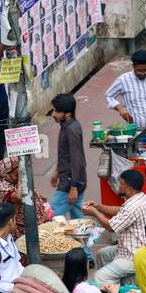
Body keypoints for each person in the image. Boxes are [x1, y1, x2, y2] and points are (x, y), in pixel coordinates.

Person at [104, 50, 146, 138]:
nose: (142, 73)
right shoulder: (123, 80)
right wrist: (120, 109)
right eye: (139, 71)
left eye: (145, 70)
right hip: (137, 134)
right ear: (133, 66)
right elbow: (108, 96)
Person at [0, 156, 52, 242]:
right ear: (6, 173)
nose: (17, 178)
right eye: (15, 175)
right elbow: (19, 197)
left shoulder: (16, 182)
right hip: (21, 229)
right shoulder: (1, 186)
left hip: (35, 224)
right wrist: (22, 177)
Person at [47, 93, 87, 221]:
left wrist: (73, 188)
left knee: (50, 217)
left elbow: (77, 160)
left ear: (67, 113)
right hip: (74, 181)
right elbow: (66, 154)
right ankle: (88, 240)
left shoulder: (72, 129)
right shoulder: (68, 126)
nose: (53, 114)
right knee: (78, 219)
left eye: (57, 111)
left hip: (69, 184)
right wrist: (57, 171)